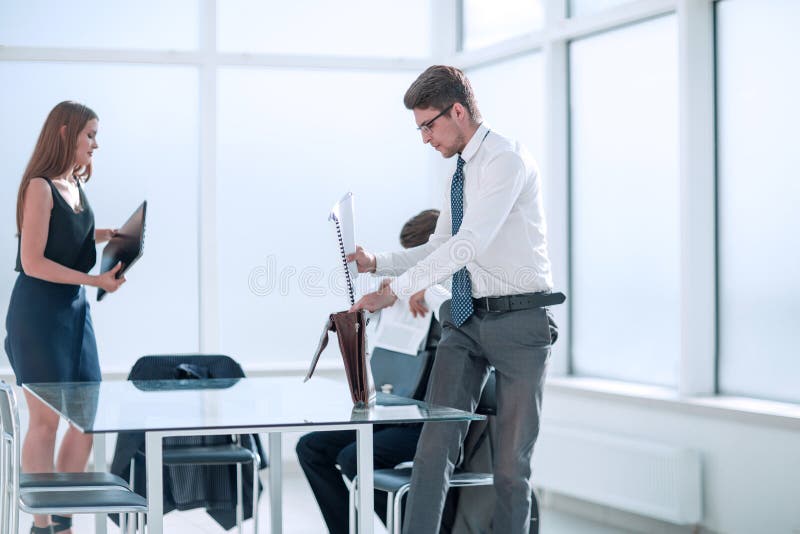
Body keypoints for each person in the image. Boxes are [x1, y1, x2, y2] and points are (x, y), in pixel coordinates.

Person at [349, 65, 562, 534]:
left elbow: (470, 244)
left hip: (520, 322)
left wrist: (394, 294)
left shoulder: (506, 161)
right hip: (466, 320)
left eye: (428, 125)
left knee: (510, 469)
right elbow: (440, 245)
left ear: (458, 110)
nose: (425, 138)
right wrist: (378, 263)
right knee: (432, 454)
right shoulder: (460, 172)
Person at [4, 101, 126, 534]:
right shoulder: (38, 186)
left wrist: (104, 234)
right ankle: (43, 525)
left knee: (86, 421)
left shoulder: (73, 183)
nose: (95, 143)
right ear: (64, 132)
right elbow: (33, 261)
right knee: (46, 422)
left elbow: (63, 231)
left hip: (73, 314)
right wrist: (95, 282)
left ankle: (61, 517)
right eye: (89, 134)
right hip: (38, 315)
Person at [296, 209, 448, 534]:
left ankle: (416, 528)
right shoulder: (410, 292)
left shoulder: (453, 297)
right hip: (397, 413)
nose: (412, 270)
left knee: (354, 459)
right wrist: (391, 298)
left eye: (417, 263)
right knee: (310, 447)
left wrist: (428, 292)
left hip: (426, 423)